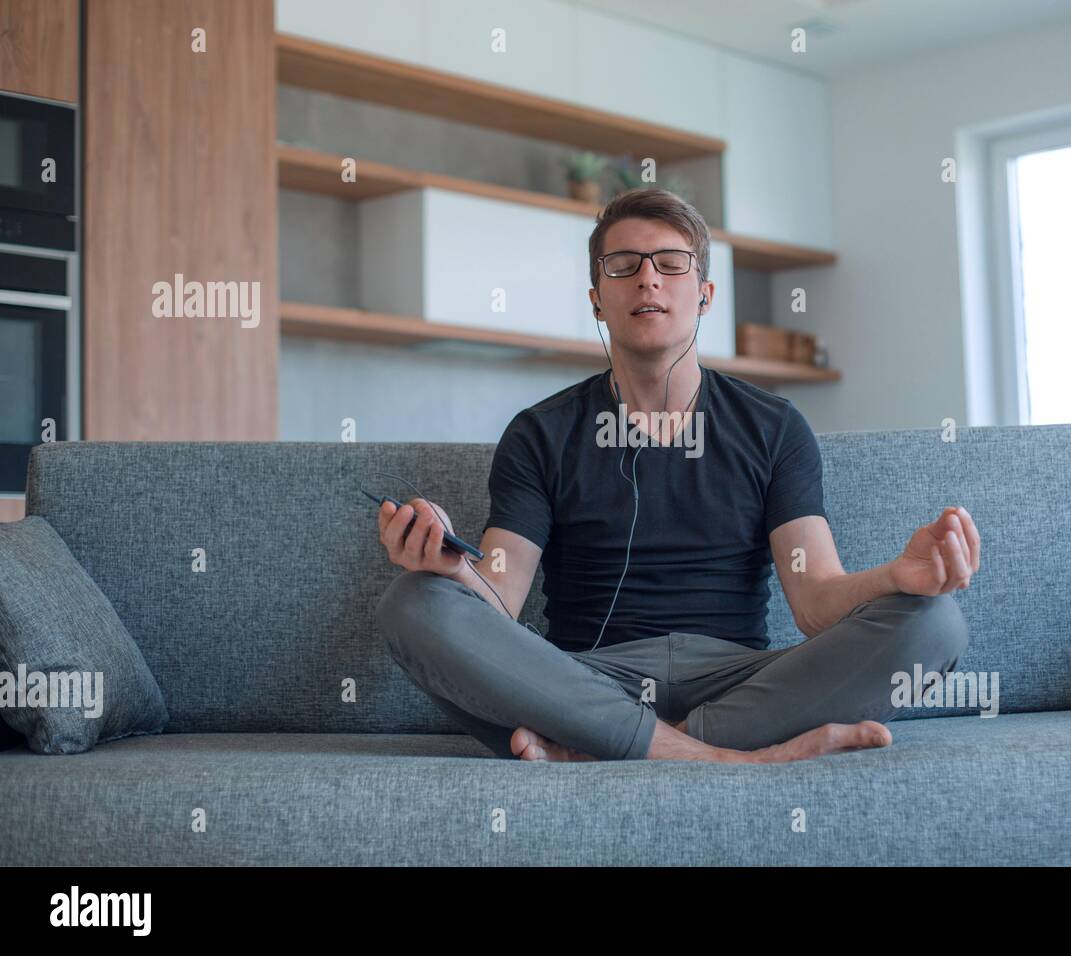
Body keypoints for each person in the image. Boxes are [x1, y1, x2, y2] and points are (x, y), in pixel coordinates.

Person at [375, 187, 978, 764]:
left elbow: (816, 603)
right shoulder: (541, 433)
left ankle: (616, 748)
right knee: (416, 602)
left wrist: (897, 579)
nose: (647, 278)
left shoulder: (774, 426)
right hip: (585, 680)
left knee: (935, 622)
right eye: (622, 265)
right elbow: (500, 600)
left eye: (670, 263)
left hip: (739, 680)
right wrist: (455, 569)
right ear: (596, 298)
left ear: (705, 293)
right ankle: (716, 756)